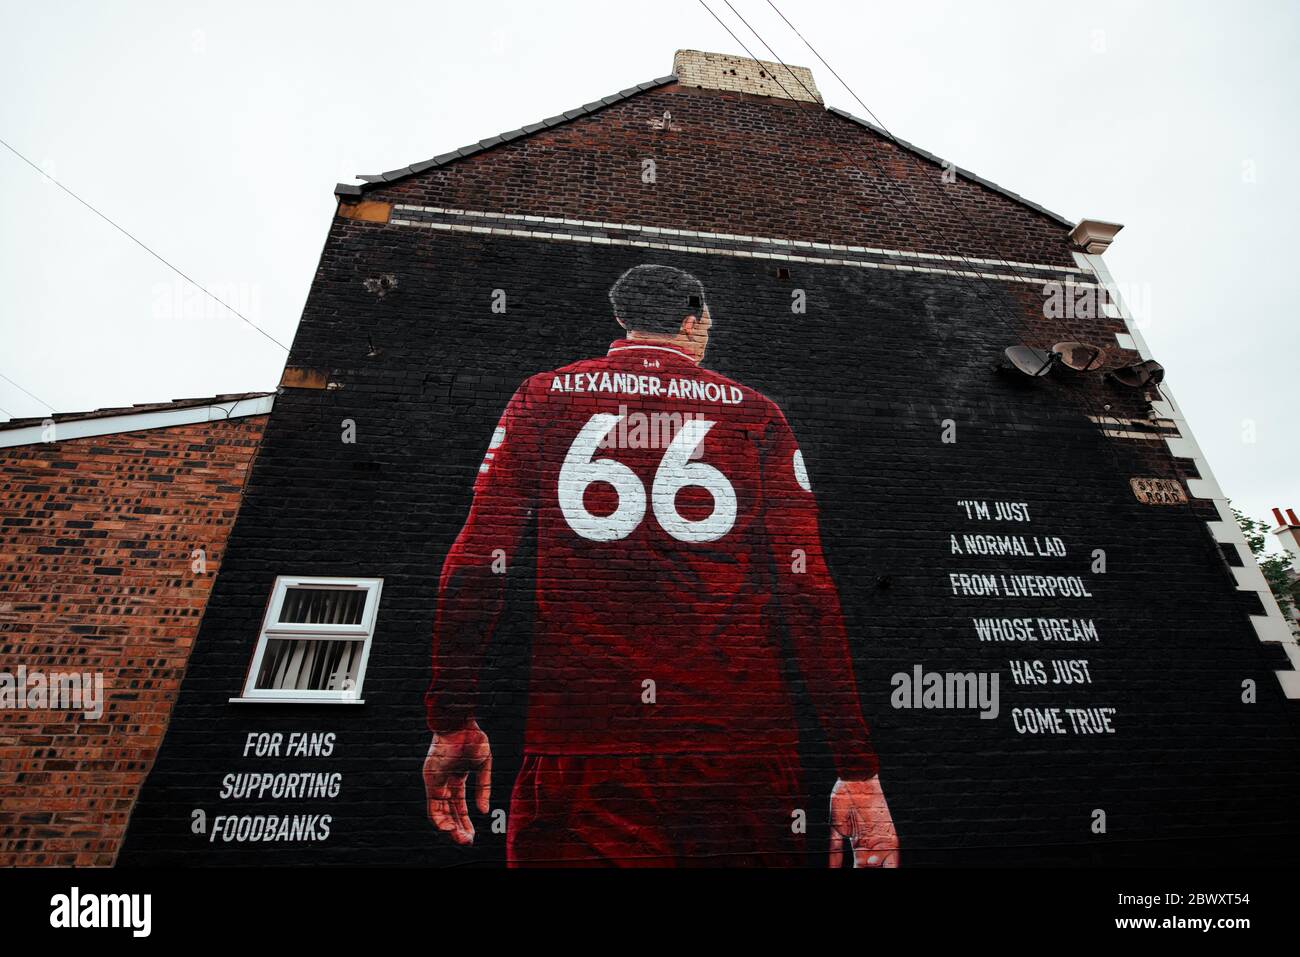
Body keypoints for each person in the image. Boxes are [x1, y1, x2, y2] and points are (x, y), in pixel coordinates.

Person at [423, 264, 899, 867]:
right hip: (742, 755)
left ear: (623, 321)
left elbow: (475, 566)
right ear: (693, 319)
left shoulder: (542, 396)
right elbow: (808, 591)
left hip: (582, 746)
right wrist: (856, 766)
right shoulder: (756, 414)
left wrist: (452, 719)